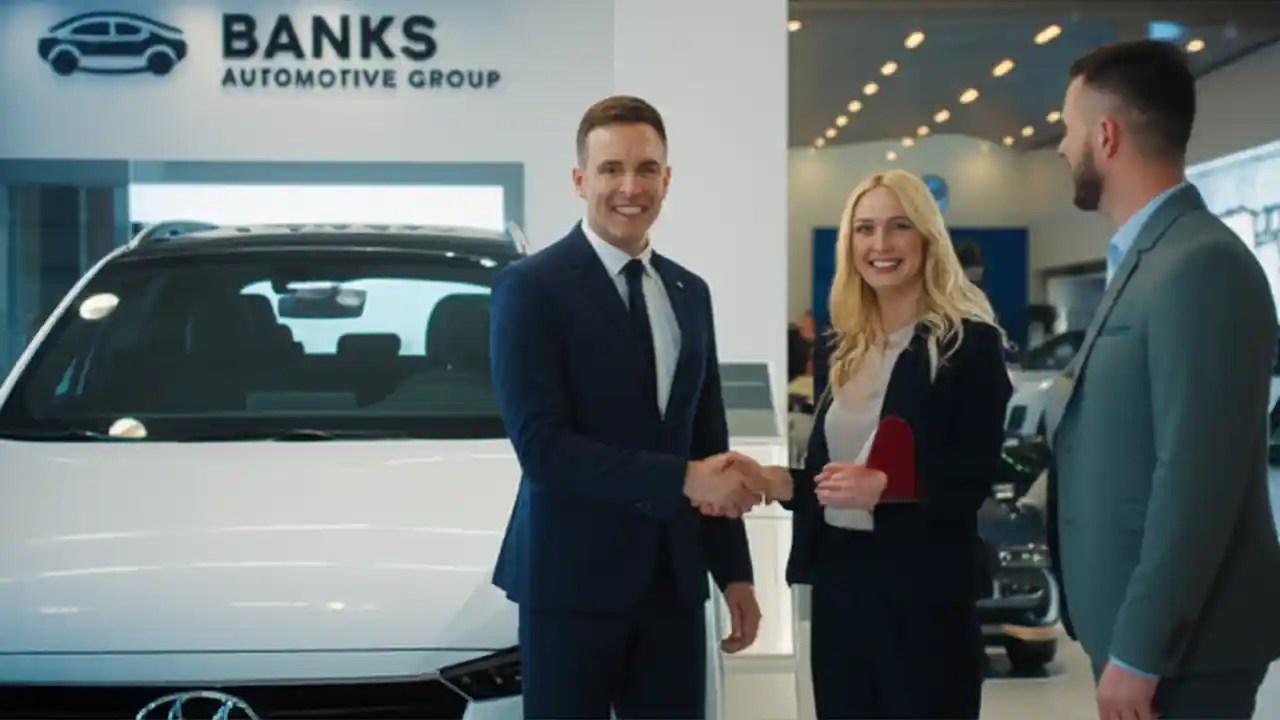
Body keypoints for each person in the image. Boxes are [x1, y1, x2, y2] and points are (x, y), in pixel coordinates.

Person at [488, 94, 763, 719]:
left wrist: (735, 574)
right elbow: (543, 448)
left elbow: (707, 440)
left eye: (646, 169)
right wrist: (682, 478)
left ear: (667, 179)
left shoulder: (690, 293)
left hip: (673, 584)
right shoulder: (530, 289)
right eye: (611, 169)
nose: (630, 187)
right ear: (579, 179)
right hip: (570, 583)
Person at [1043, 39, 1280, 720]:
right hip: (1139, 640)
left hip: (1182, 656)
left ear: (1106, 136)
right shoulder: (1148, 259)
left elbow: (1197, 481)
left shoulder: (1200, 265)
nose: (1061, 147)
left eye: (1068, 128)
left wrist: (1142, 652)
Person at [720, 169, 1013, 718]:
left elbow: (973, 476)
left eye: (899, 226)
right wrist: (780, 482)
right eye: (865, 229)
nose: (880, 244)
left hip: (925, 594)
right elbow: (838, 477)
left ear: (927, 237)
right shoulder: (842, 346)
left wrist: (888, 486)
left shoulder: (968, 343)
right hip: (842, 589)